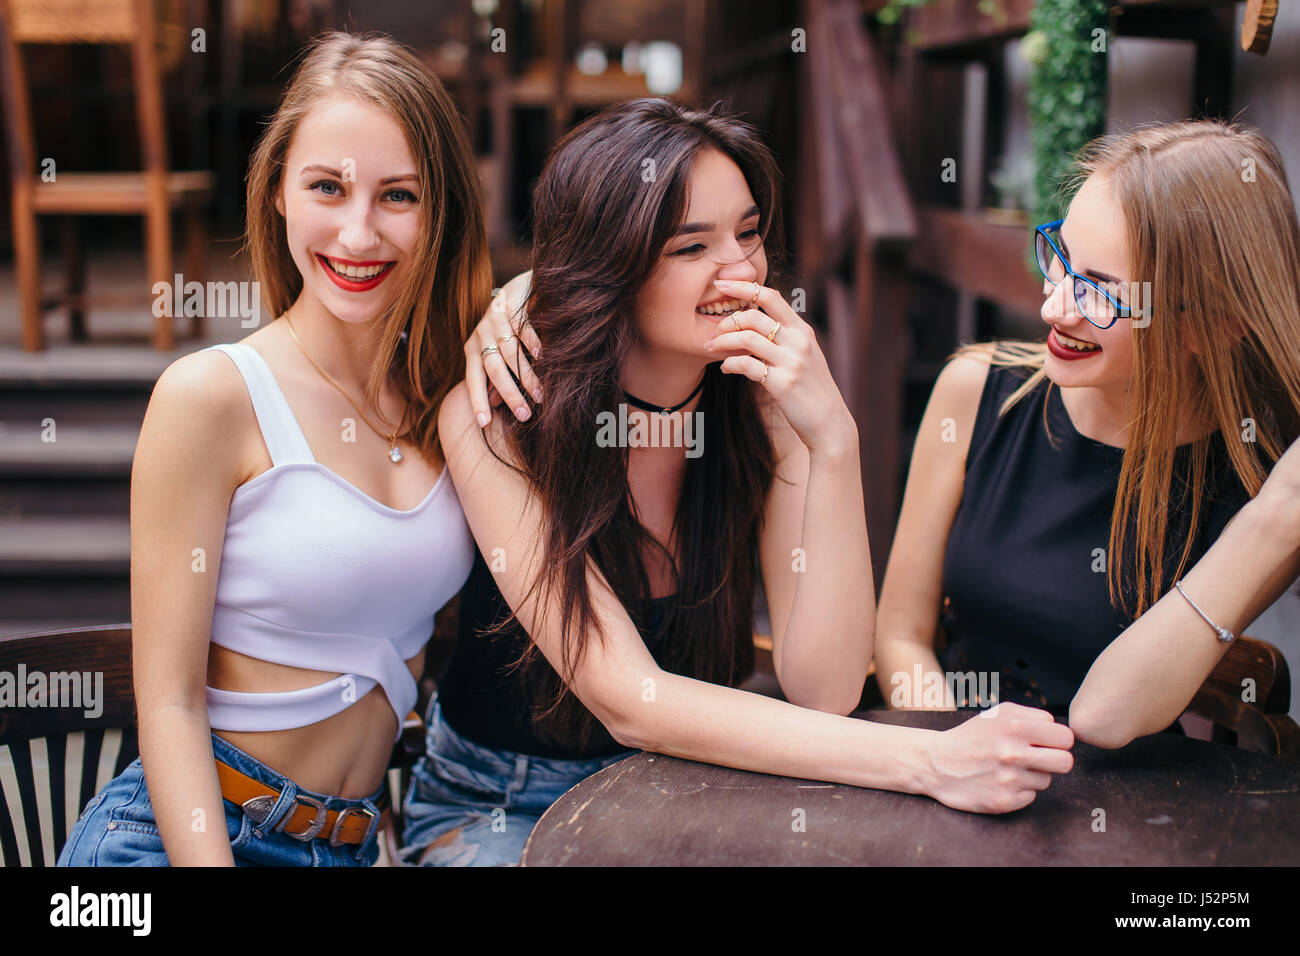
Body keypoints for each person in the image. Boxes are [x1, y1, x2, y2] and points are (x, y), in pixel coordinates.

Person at [400, 98, 1075, 867]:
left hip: (692, 790)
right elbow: (631, 701)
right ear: (610, 264)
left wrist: (831, 440)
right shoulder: (500, 414)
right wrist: (930, 761)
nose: (744, 270)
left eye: (748, 233)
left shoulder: (754, 404)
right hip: (503, 804)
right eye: (692, 246)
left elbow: (824, 686)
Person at [58, 31, 491, 866]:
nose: (358, 234)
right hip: (186, 842)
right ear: (280, 195)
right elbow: (171, 704)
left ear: (441, 210)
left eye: (398, 195)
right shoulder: (211, 397)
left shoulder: (451, 393)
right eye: (328, 186)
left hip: (356, 846)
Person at [871, 120, 1300, 744]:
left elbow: (1108, 717)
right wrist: (948, 748)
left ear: (1210, 325)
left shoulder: (1262, 485)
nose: (1053, 306)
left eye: (1101, 291)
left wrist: (1276, 516)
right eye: (1062, 258)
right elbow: (901, 635)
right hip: (947, 769)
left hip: (1130, 817)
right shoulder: (975, 391)